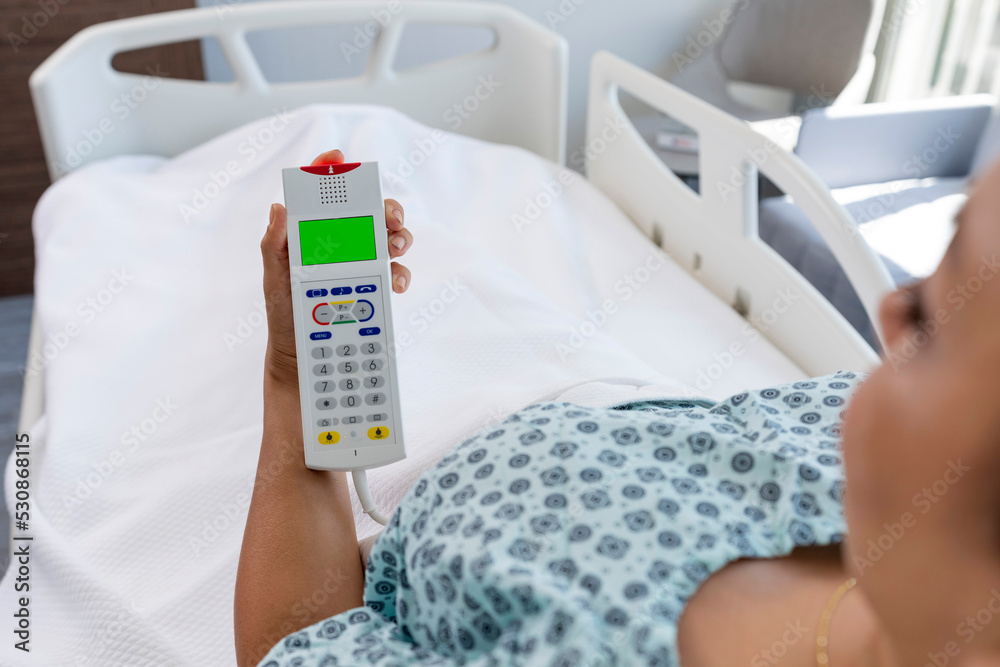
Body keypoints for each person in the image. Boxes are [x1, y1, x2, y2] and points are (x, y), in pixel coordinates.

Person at [235, 149, 1000, 667]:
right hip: (593, 368)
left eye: (931, 320)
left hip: (376, 462)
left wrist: (291, 380)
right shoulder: (845, 456)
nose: (889, 312)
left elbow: (298, 641)